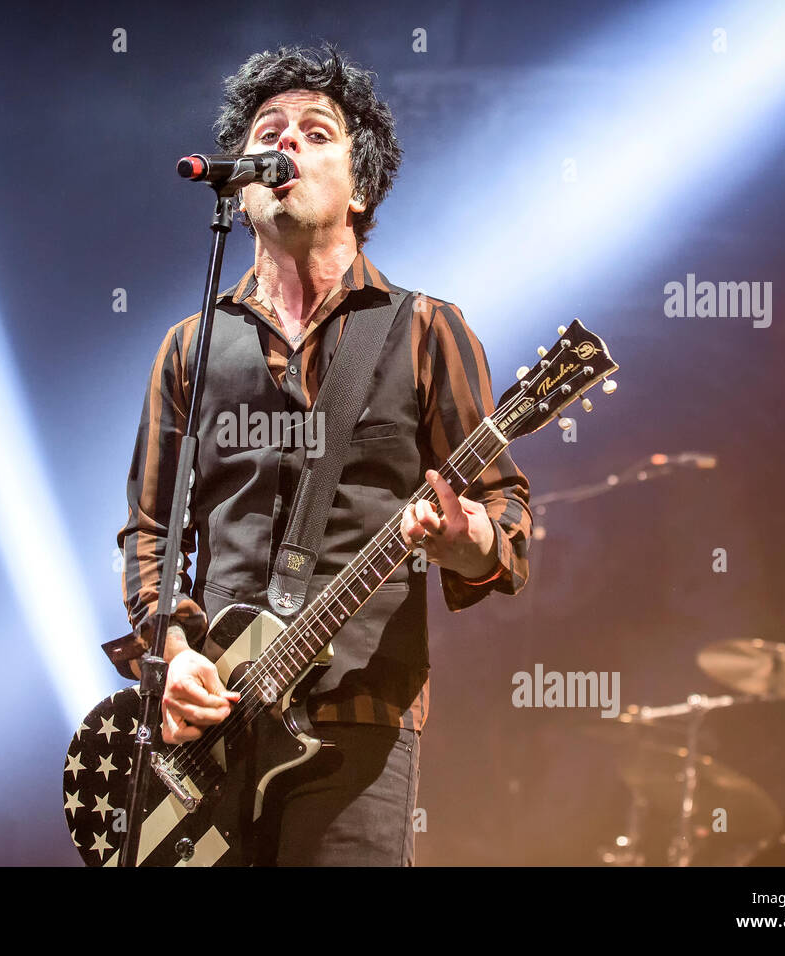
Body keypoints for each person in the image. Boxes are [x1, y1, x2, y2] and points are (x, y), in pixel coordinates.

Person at [102, 42, 531, 866]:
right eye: (268, 131)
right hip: (209, 737)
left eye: (315, 131)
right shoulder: (192, 345)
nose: (286, 142)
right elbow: (149, 531)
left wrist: (466, 537)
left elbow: (505, 515)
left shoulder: (425, 330)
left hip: (355, 729)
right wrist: (173, 656)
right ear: (241, 185)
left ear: (360, 186)